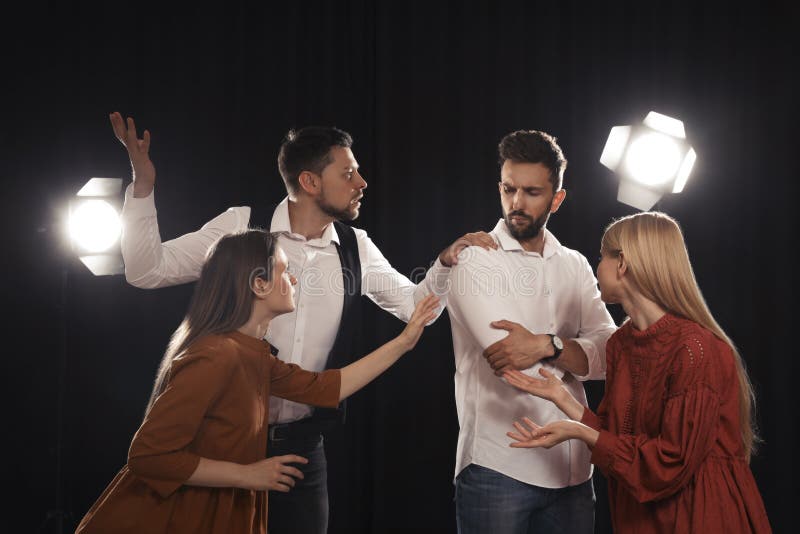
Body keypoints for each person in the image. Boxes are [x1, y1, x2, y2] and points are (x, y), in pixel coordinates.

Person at [109, 112, 495, 532]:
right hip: (224, 442)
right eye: (348, 173)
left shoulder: (355, 247)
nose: (361, 183)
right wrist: (143, 188)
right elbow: (147, 271)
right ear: (310, 182)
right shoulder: (242, 228)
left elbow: (416, 308)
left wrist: (443, 263)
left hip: (302, 449)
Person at [75, 230, 441, 533]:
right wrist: (247, 474)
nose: (293, 279)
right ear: (259, 285)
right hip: (181, 517)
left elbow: (326, 387)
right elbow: (148, 456)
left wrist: (405, 341)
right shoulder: (217, 356)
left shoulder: (252, 354)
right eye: (284, 271)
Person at [503, 212, 772, 533]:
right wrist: (564, 400)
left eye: (601, 256)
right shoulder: (621, 344)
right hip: (643, 517)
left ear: (623, 263)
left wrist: (581, 432)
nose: (596, 266)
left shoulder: (696, 348)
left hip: (698, 516)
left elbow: (669, 464)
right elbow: (621, 439)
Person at [442, 129, 617, 534]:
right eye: (509, 189)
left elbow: (610, 356)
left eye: (532, 192)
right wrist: (574, 353)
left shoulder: (574, 264)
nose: (516, 204)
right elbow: (509, 359)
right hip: (499, 465)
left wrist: (546, 344)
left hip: (573, 471)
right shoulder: (473, 262)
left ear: (557, 198)